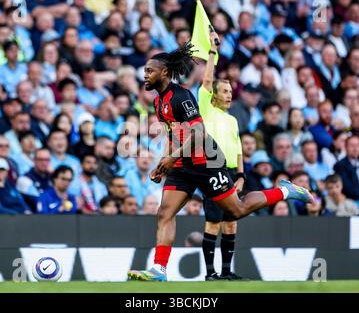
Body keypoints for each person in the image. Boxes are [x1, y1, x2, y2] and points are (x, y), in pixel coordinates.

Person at [128, 42, 313, 282]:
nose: (145, 75)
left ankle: (284, 191)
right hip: (183, 165)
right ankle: (159, 270)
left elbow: (199, 133)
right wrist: (165, 161)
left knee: (237, 209)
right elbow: (174, 135)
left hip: (207, 161)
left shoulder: (181, 95)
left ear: (164, 72)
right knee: (164, 212)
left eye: (149, 71)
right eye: (144, 71)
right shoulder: (157, 102)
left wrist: (173, 157)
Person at [198, 31, 246, 281]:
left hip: (229, 172)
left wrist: (240, 175)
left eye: (230, 91)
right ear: (214, 94)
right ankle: (210, 273)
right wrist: (212, 52)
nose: (229, 95)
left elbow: (238, 149)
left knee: (231, 222)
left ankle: (226, 272)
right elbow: (207, 80)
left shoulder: (233, 119)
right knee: (213, 223)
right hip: (212, 169)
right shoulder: (205, 108)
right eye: (224, 91)